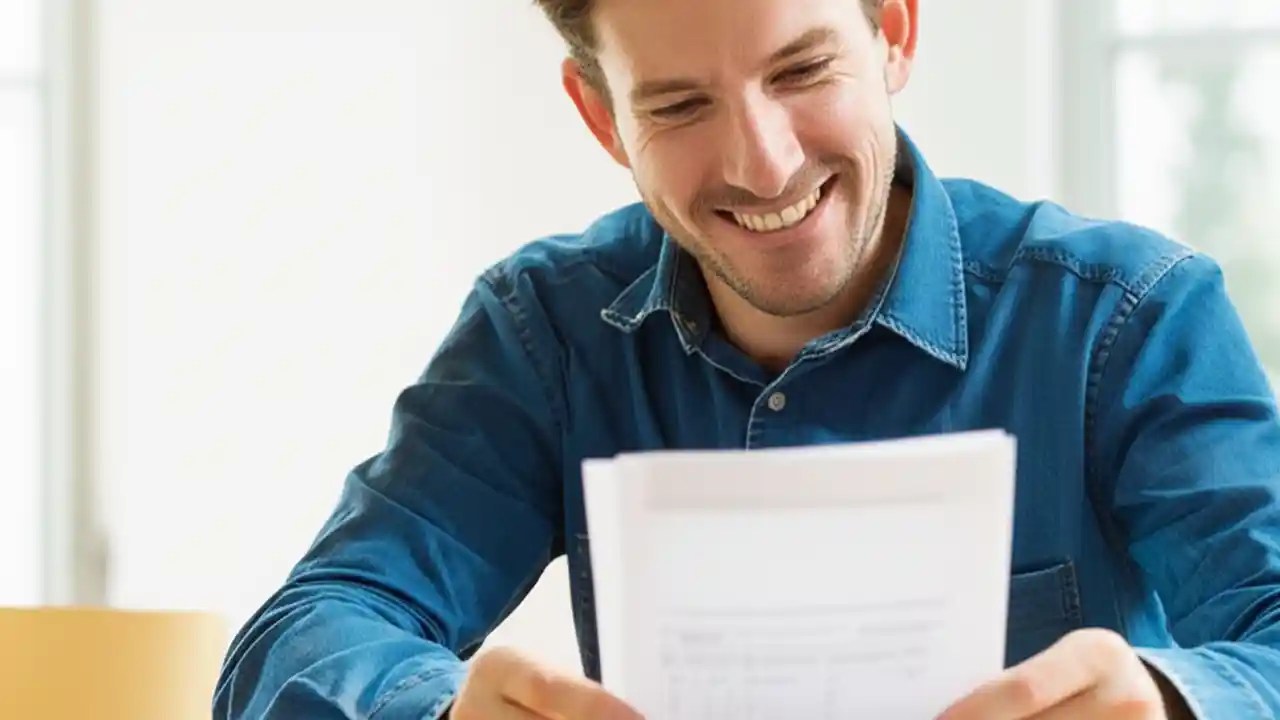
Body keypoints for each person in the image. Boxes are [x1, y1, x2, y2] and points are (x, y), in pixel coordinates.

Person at [213, 0, 1280, 717]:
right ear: (601, 117)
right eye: (677, 105)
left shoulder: (1127, 319)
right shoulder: (541, 333)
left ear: (894, 31)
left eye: (802, 68)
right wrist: (435, 713)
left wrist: (1167, 698)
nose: (760, 162)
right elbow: (302, 635)